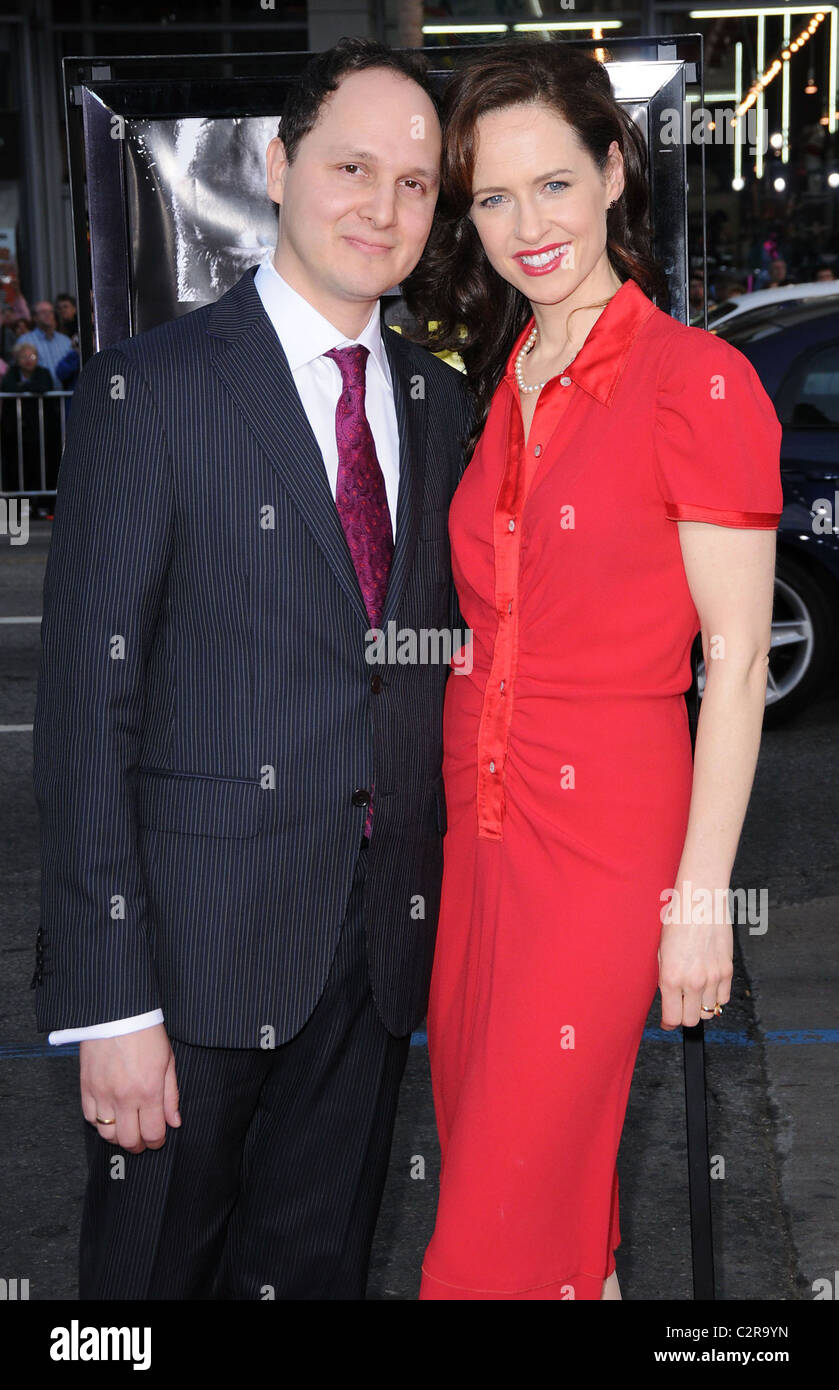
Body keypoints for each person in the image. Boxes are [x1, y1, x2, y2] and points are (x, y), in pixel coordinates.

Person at [31, 37, 472, 1300]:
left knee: (314, 1276)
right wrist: (110, 1005)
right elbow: (85, 712)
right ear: (277, 166)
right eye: (348, 165)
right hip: (186, 969)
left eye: (414, 182)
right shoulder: (148, 391)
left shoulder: (442, 405)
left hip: (368, 961)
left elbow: (418, 654)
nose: (379, 207)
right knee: (142, 1297)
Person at [403, 40, 782, 1301]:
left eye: (553, 184)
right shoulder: (493, 380)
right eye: (493, 197)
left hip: (605, 849)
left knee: (486, 1244)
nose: (527, 225)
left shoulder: (696, 383)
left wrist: (698, 898)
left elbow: (729, 670)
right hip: (479, 847)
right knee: (534, 1200)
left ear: (614, 172)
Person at [0, 341, 53, 496]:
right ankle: (18, 510)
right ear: (16, 359)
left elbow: (44, 387)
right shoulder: (12, 373)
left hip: (38, 430)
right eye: (24, 356)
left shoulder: (43, 372)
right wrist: (30, 387)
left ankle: (41, 506)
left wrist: (23, 387)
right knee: (15, 468)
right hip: (14, 431)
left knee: (39, 466)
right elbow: (9, 388)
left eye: (32, 355)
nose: (29, 359)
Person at [17, 301, 73, 389]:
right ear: (35, 317)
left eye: (50, 312)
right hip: (38, 396)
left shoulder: (65, 341)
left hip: (64, 395)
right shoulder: (25, 340)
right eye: (43, 312)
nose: (48, 315)